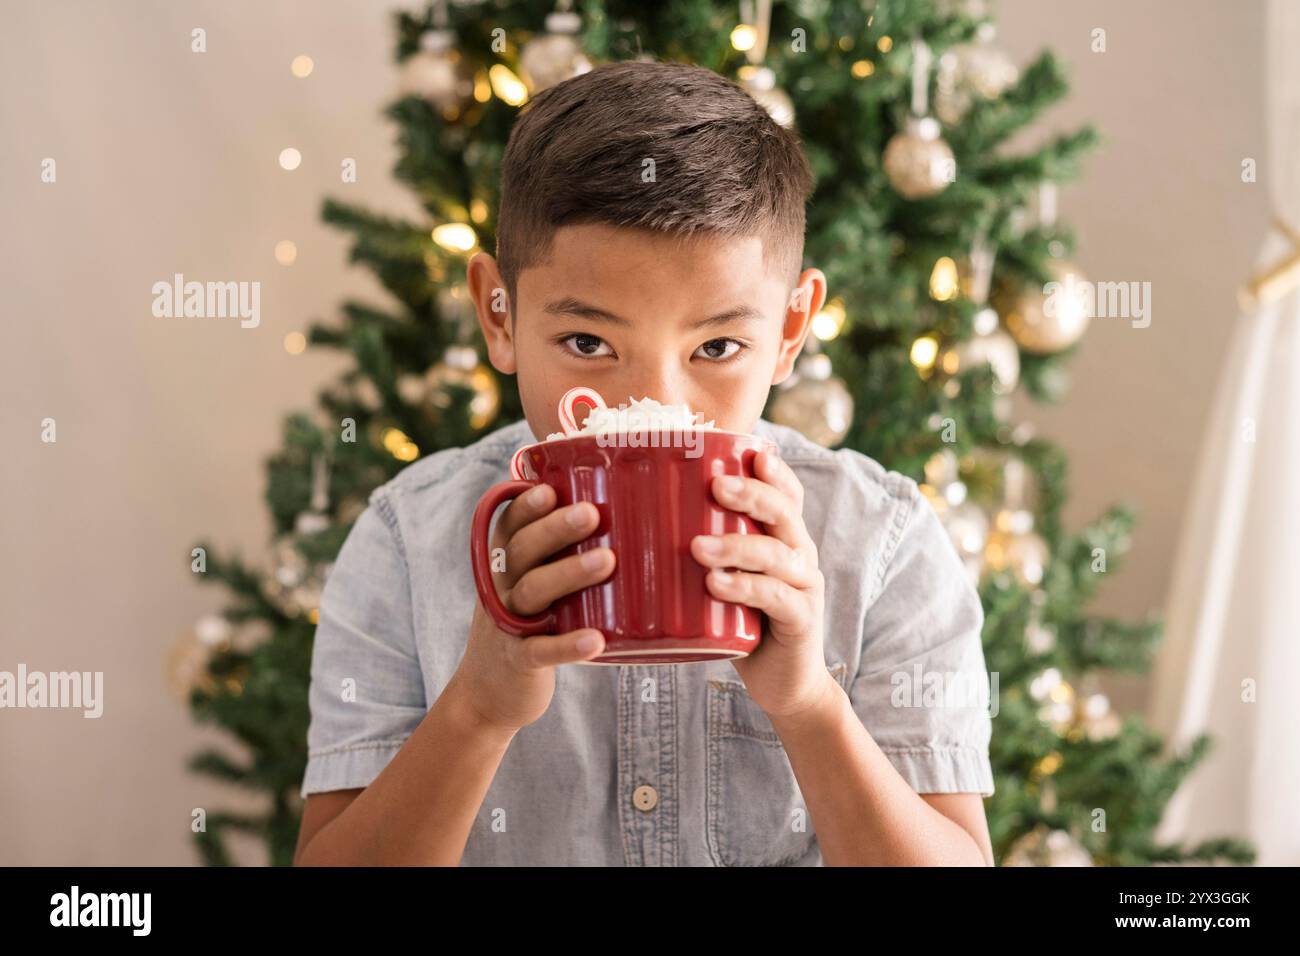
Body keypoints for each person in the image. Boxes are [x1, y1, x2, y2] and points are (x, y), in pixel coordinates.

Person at [293, 60, 994, 866]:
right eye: (588, 343)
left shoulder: (884, 543)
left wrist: (809, 705)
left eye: (719, 347)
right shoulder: (405, 541)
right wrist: (478, 708)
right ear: (499, 314)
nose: (655, 409)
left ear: (791, 331)